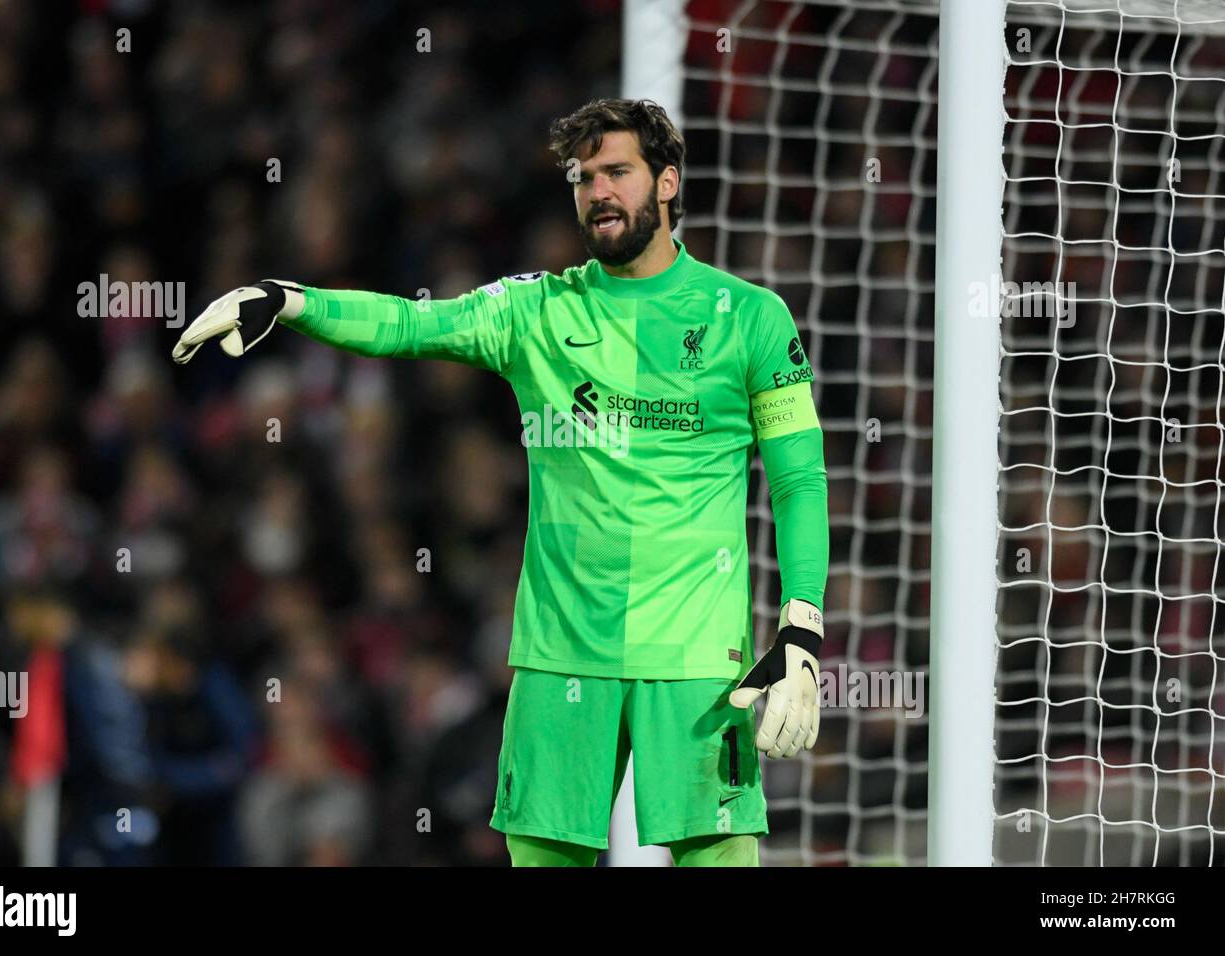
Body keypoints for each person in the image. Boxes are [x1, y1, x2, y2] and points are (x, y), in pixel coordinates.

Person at [172, 98, 828, 867]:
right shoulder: (536, 312)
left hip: (696, 660)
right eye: (585, 179)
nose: (599, 193)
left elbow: (798, 479)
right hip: (560, 655)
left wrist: (802, 628)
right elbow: (412, 325)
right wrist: (292, 302)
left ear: (668, 183)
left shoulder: (749, 318)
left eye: (618, 172)